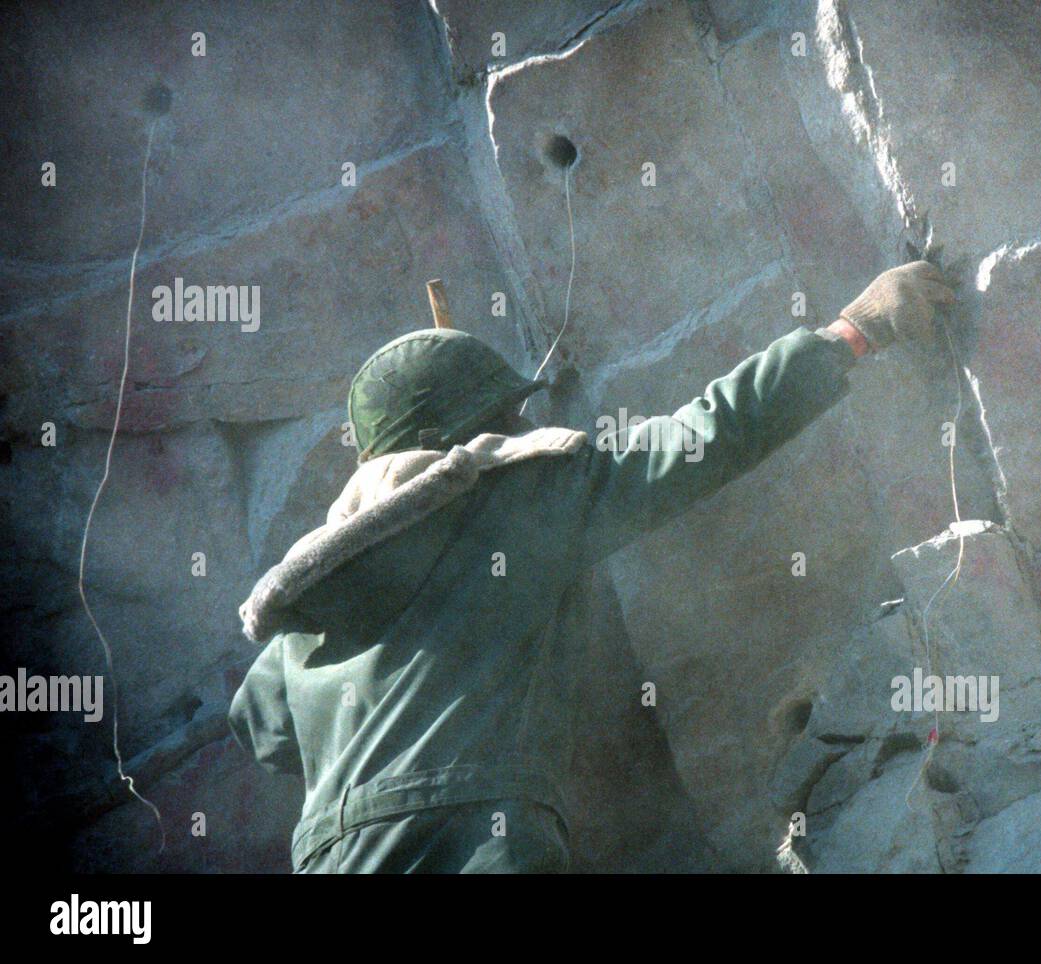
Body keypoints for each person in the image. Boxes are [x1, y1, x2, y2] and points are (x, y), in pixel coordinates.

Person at [229, 260, 955, 873]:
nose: (516, 428)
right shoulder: (517, 499)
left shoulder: (317, 587)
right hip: (481, 841)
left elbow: (262, 727)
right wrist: (852, 332)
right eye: (502, 417)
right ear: (458, 436)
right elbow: (701, 438)